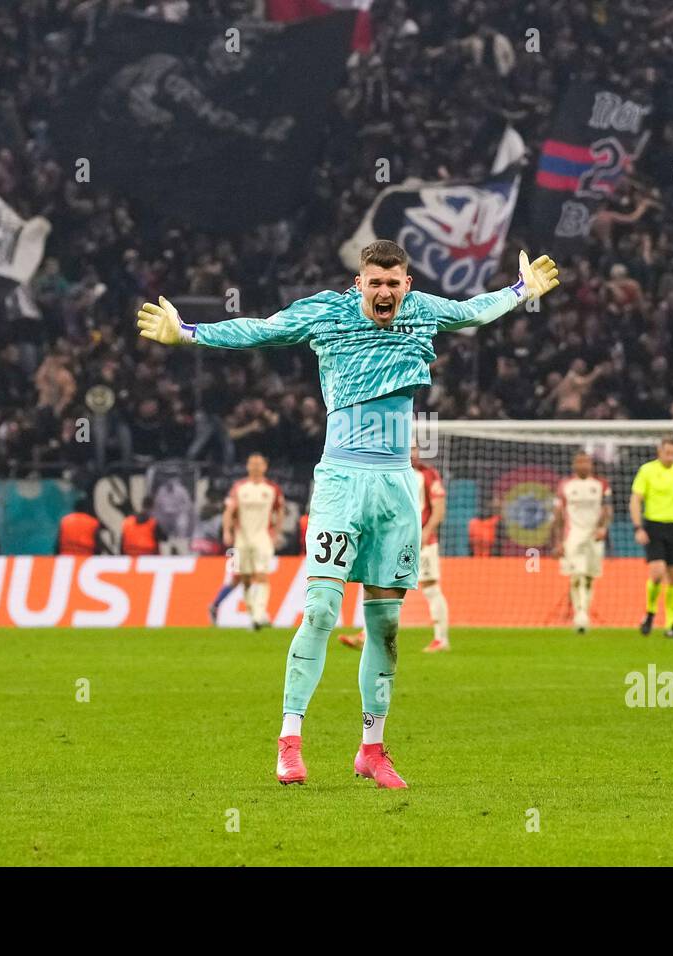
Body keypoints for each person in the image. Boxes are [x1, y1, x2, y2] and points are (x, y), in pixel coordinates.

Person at [136, 239, 558, 788]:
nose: (386, 292)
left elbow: (474, 310)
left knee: (384, 626)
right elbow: (260, 329)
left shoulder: (422, 312)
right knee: (320, 610)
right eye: (375, 283)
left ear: (406, 284)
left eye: (395, 283)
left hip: (395, 487)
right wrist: (188, 332)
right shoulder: (326, 313)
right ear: (360, 283)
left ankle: (372, 749)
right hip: (340, 480)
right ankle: (289, 742)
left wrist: (523, 290)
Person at [340, 443, 451, 652]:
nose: (413, 452)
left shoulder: (428, 475)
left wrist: (426, 532)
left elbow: (439, 508)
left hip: (422, 541)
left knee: (430, 587)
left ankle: (441, 639)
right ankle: (367, 634)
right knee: (383, 585)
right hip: (395, 539)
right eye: (408, 448)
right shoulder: (391, 473)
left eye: (416, 448)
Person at [630, 436, 673, 639]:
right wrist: (638, 527)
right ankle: (650, 613)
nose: (670, 457)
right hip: (653, 527)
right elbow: (636, 500)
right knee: (658, 573)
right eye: (667, 453)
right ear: (660, 452)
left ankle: (672, 624)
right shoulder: (647, 471)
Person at [218, 452, 284, 629]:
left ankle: (258, 615)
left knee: (261, 574)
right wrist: (226, 531)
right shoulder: (239, 488)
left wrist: (276, 533)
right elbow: (229, 511)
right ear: (247, 466)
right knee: (245, 578)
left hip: (263, 538)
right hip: (242, 539)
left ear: (265, 467)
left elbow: (280, 511)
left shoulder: (272, 489)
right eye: (252, 464)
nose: (255, 467)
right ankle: (253, 613)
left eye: (258, 464)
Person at [550, 451, 613, 633]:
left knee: (589, 577)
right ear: (574, 465)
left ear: (591, 465)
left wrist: (603, 528)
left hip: (594, 536)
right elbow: (558, 515)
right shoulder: (565, 485)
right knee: (577, 574)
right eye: (580, 462)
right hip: (573, 535)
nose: (583, 465)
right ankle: (580, 614)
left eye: (586, 462)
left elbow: (607, 510)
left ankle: (583, 610)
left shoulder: (601, 485)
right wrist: (558, 541)